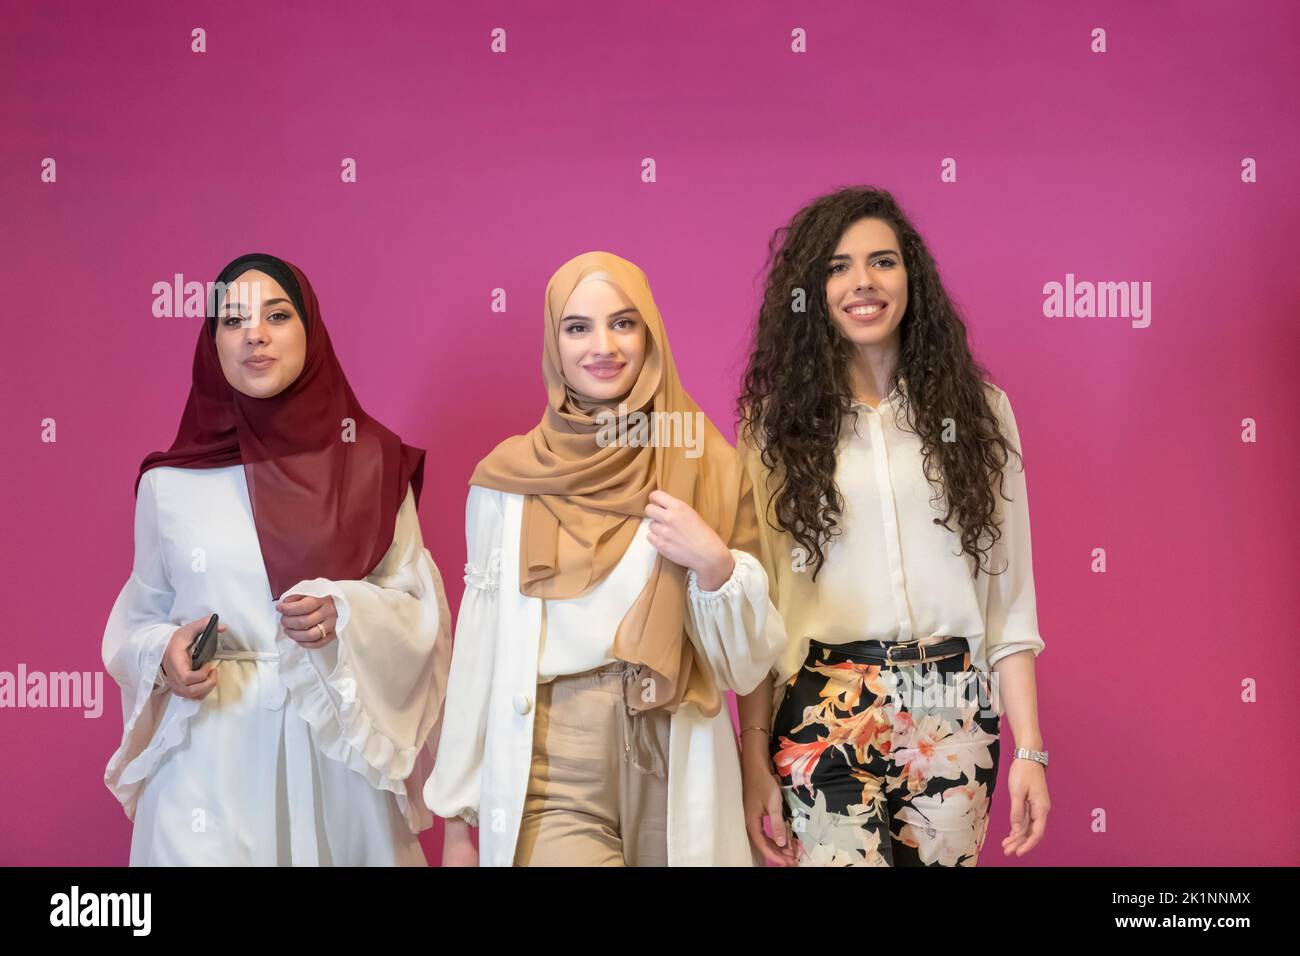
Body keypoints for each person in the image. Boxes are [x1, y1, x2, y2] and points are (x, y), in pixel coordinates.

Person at [424, 251, 786, 866]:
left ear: (650, 334)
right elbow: (479, 644)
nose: (603, 346)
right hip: (555, 756)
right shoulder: (507, 481)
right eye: (577, 327)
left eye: (624, 323)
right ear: (553, 342)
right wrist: (458, 815)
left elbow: (750, 663)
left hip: (676, 743)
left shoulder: (708, 463)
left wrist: (714, 565)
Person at [735, 188, 1051, 866]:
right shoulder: (773, 432)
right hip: (824, 705)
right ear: (812, 293)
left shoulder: (983, 415)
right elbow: (756, 610)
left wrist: (1030, 750)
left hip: (954, 700)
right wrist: (751, 761)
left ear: (913, 278)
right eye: (838, 267)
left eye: (882, 261)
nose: (863, 282)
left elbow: (1010, 599)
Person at [102, 253, 451, 865]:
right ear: (213, 344)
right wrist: (164, 652)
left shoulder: (369, 463)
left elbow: (419, 613)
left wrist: (346, 613)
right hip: (207, 757)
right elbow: (141, 616)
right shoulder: (170, 482)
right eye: (232, 320)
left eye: (277, 315)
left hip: (334, 752)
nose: (255, 334)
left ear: (308, 332)